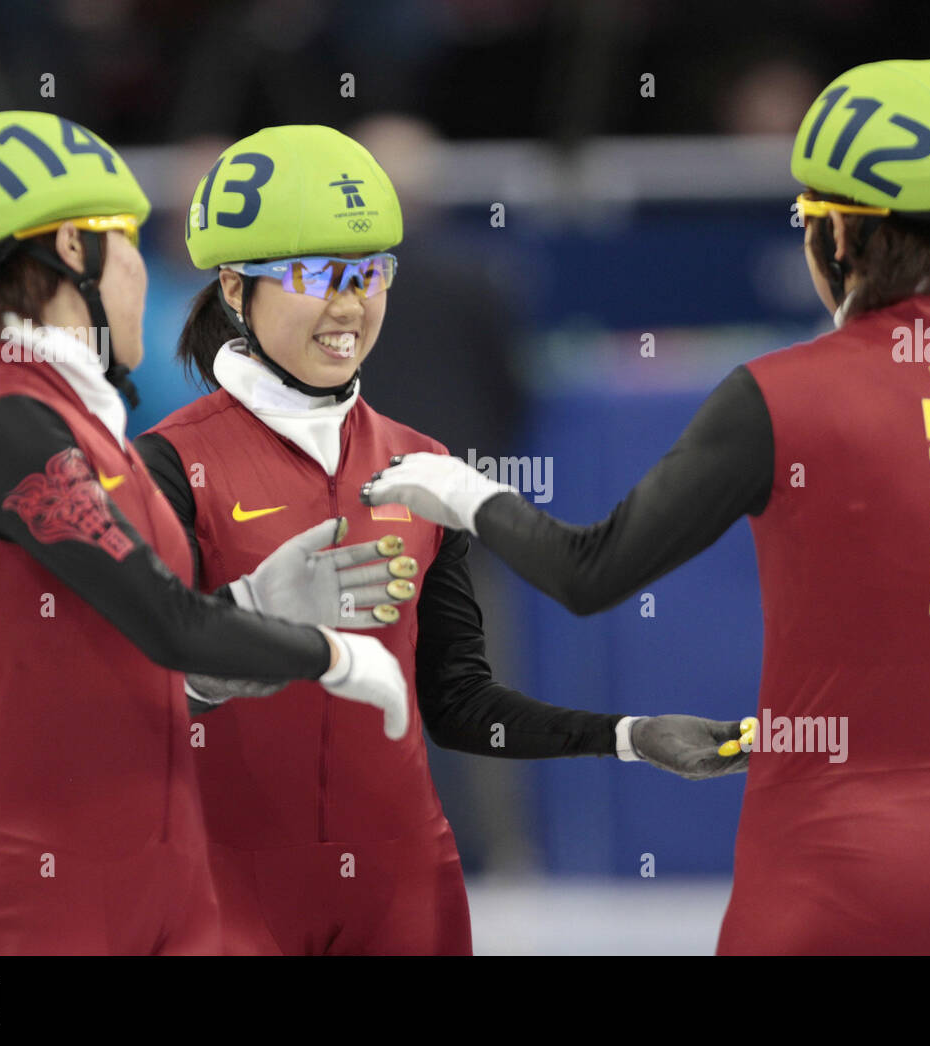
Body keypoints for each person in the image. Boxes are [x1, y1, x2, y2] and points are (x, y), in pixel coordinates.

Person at [362, 59, 930, 955]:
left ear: (839, 238)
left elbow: (587, 574)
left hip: (823, 880)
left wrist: (456, 487)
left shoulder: (776, 397)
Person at [134, 124, 755, 956]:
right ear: (235, 291)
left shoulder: (422, 467)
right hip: (226, 898)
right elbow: (117, 712)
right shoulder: (168, 466)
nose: (350, 305)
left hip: (405, 897)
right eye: (319, 275)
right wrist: (244, 626)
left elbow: (458, 704)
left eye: (370, 274)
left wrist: (626, 735)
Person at [0, 110, 409, 955]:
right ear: (74, 252)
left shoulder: (94, 430)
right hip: (24, 916)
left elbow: (137, 648)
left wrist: (247, 604)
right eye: (127, 245)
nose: (143, 274)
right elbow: (164, 620)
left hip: (169, 899)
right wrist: (335, 656)